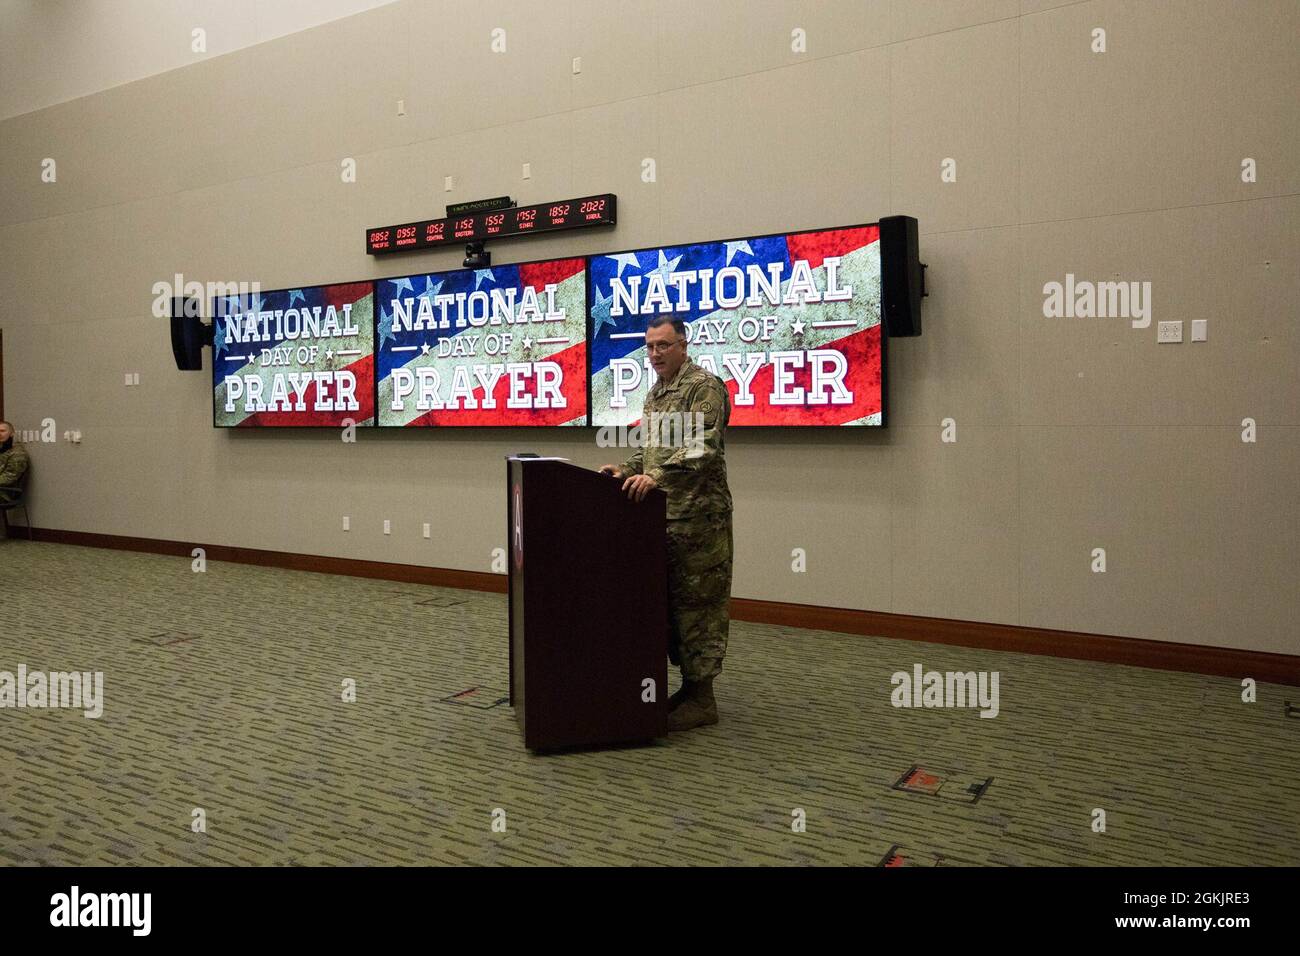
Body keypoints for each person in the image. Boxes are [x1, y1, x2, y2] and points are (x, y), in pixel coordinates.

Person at [600, 317, 734, 732]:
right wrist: (625, 469)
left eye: (663, 346)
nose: (655, 354)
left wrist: (655, 478)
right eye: (650, 347)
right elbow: (653, 452)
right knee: (670, 608)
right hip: (662, 519)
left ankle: (703, 698)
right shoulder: (656, 394)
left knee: (700, 608)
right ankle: (688, 690)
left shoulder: (703, 387)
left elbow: (703, 448)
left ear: (683, 345)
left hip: (700, 520)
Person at [0, 420, 30, 511]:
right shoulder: (2, 450)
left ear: (12, 433)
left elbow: (9, 477)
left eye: (2, 431)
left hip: (6, 493)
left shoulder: (18, 453)